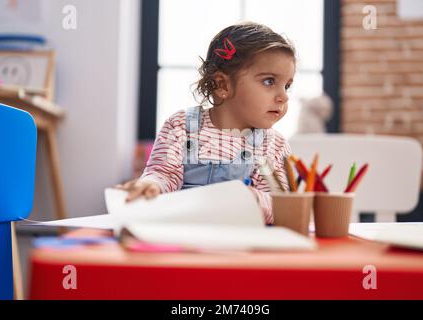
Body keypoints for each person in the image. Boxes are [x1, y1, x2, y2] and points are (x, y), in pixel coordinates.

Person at [117, 22, 296, 224]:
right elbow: (163, 174)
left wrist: (251, 198)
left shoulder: (274, 144)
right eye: (269, 81)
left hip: (240, 246)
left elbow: (281, 205)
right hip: (182, 237)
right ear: (223, 85)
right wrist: (150, 186)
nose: (283, 96)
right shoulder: (180, 126)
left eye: (287, 85)